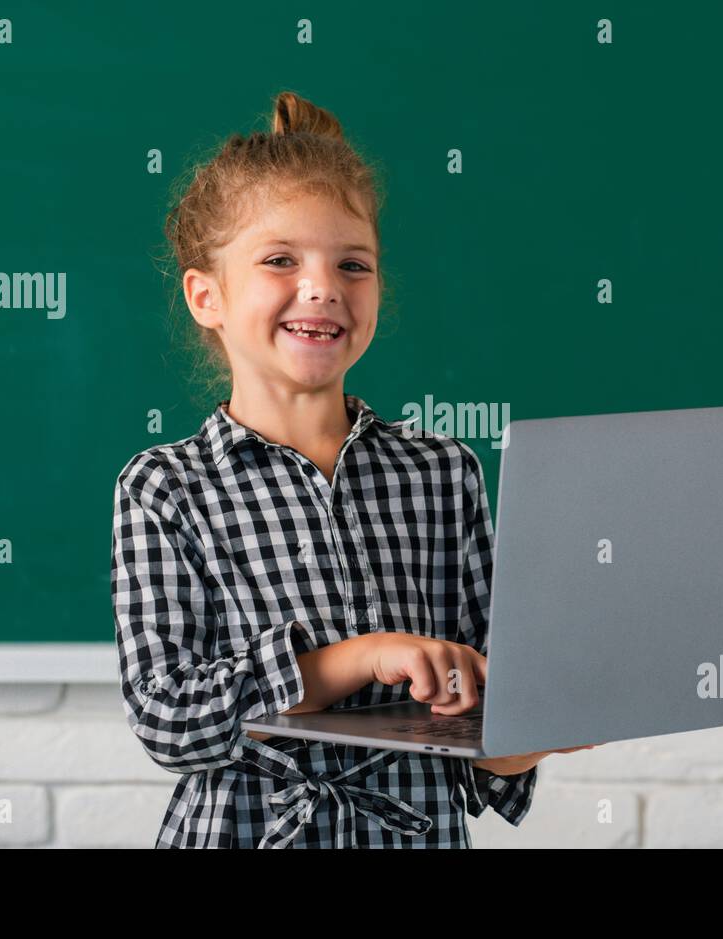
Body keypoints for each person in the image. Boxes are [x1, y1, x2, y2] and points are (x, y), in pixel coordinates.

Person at [111, 90, 594, 848]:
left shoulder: (444, 472)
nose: (324, 286)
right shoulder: (165, 487)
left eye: (353, 263)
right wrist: (363, 656)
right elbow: (170, 720)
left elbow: (479, 741)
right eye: (280, 260)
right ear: (206, 295)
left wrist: (538, 727)